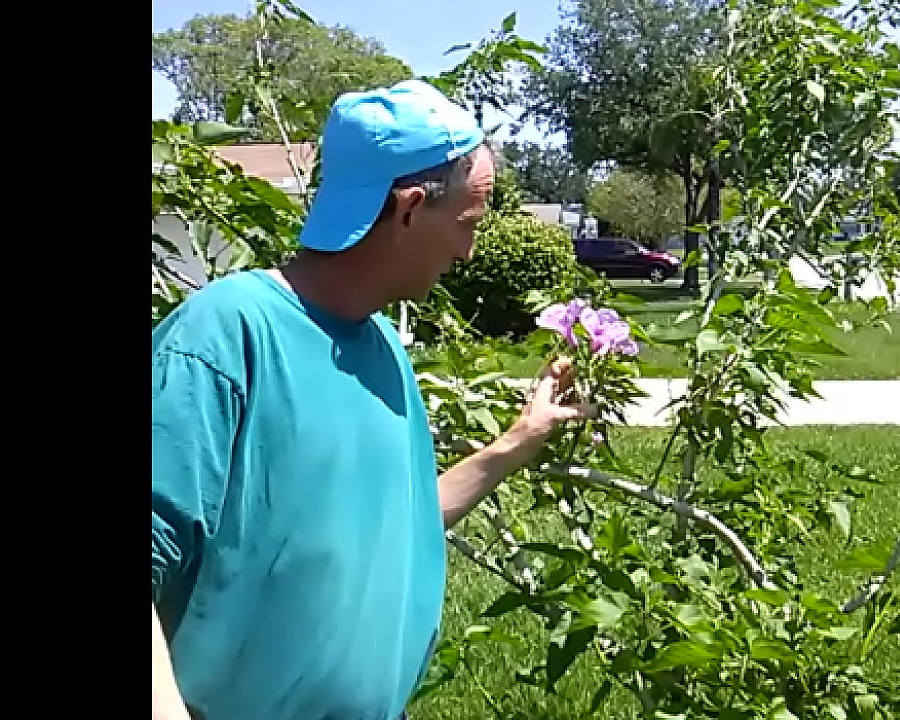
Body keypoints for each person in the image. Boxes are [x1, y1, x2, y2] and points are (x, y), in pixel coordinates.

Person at [151, 79, 593, 720]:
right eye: (467, 223)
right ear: (409, 207)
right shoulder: (225, 336)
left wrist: (517, 442)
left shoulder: (382, 344)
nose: (469, 251)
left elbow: (396, 521)